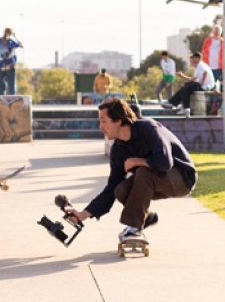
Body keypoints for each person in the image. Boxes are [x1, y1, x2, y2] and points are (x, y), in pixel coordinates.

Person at [63, 98, 197, 241]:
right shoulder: (118, 150)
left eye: (103, 121)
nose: (100, 127)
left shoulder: (148, 128)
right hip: (157, 181)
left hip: (182, 177)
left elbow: (165, 162)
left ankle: (134, 228)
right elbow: (111, 188)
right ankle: (146, 217)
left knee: (143, 173)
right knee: (120, 190)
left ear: (118, 120)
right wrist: (84, 214)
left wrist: (137, 161)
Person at [0, 28, 22, 95]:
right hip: (10, 65)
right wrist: (15, 37)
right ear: (11, 33)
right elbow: (21, 45)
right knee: (12, 85)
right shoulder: (11, 41)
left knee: (1, 86)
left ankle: (2, 100)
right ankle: (13, 100)